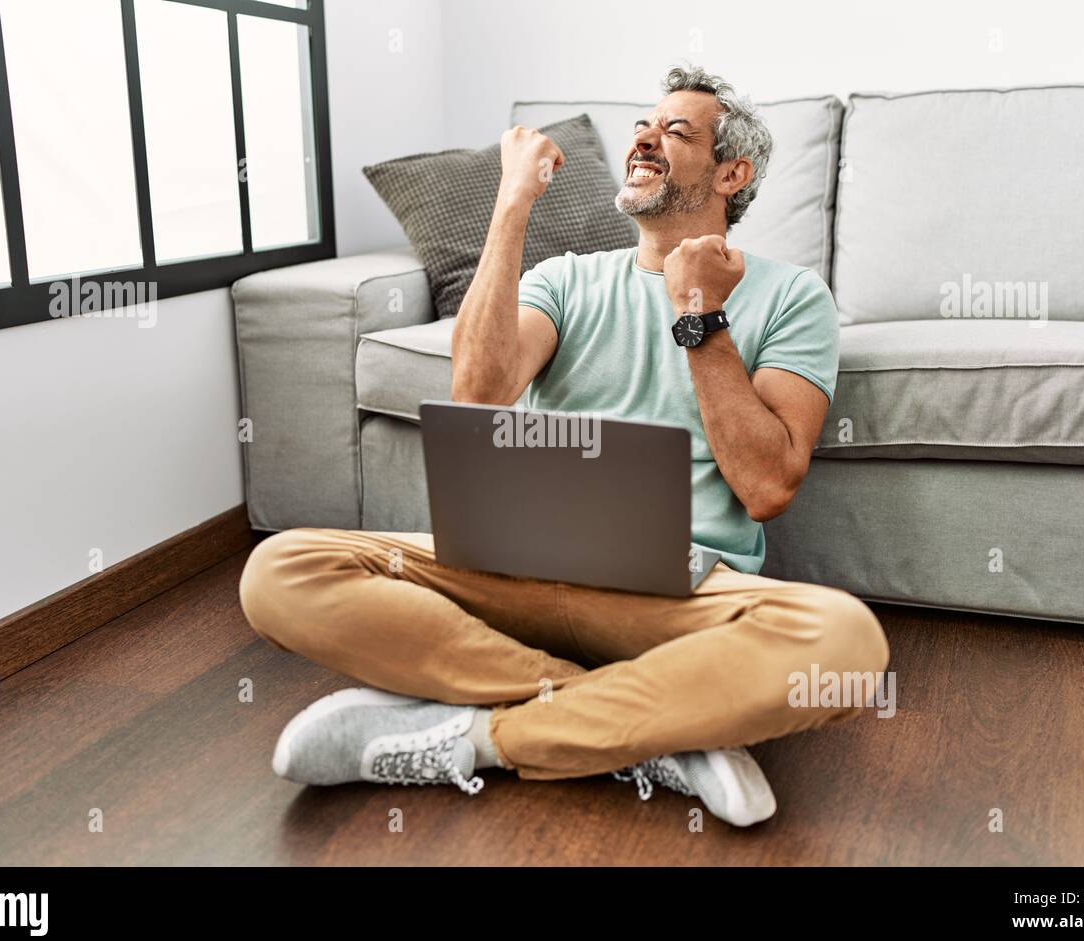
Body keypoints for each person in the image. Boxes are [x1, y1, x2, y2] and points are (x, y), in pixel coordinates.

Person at [238, 65, 888, 827]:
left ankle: (484, 736)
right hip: (514, 572)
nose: (644, 137)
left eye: (677, 131)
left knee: (844, 648)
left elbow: (767, 486)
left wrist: (698, 312)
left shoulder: (790, 295)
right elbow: (478, 396)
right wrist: (512, 202)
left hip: (678, 589)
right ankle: (647, 726)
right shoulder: (567, 280)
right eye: (644, 125)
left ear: (731, 172)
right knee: (281, 568)